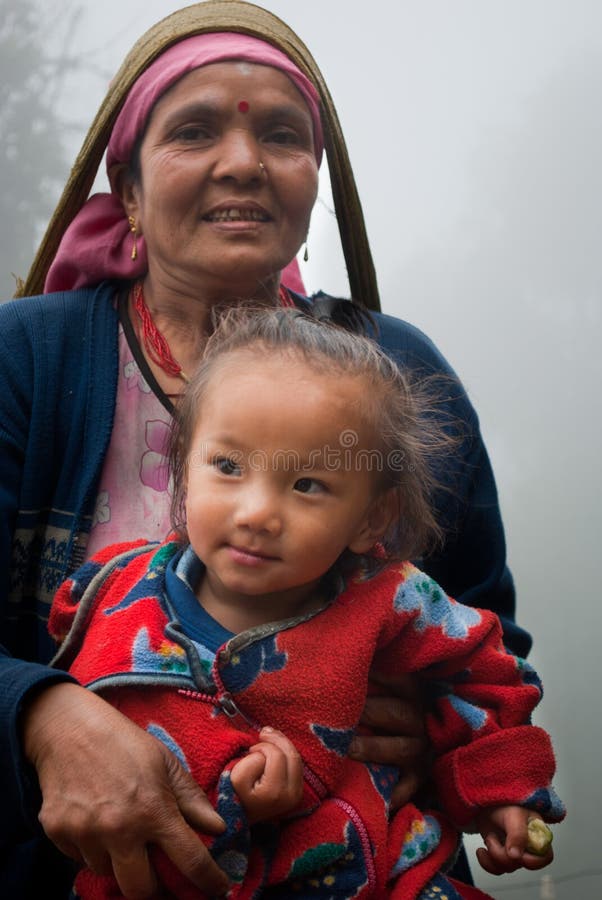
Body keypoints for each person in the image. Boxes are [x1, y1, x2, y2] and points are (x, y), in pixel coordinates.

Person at [0, 2, 530, 898]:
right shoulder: (27, 361)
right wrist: (42, 717)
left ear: (314, 180)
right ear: (125, 190)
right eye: (195, 130)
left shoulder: (396, 371)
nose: (242, 162)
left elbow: (482, 631)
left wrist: (428, 727)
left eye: (282, 136)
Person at [48, 307, 563, 900]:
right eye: (227, 466)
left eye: (307, 485)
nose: (257, 513)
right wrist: (233, 798)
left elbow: (487, 674)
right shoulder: (112, 587)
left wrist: (501, 787)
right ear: (185, 476)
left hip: (367, 873)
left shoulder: (393, 600)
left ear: (372, 518)